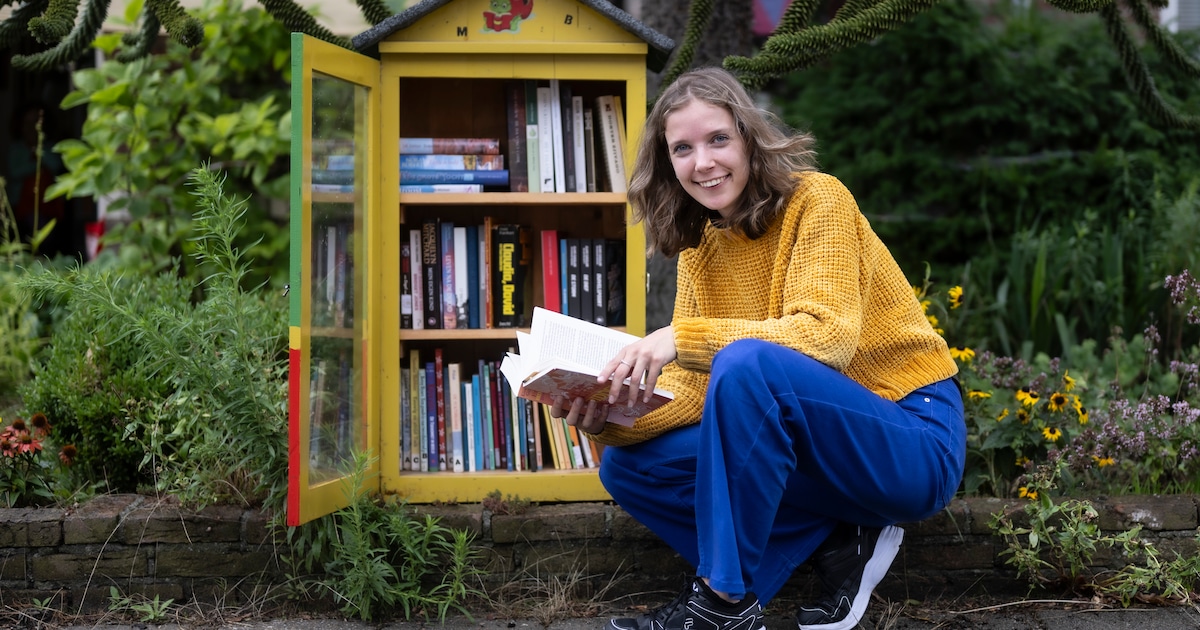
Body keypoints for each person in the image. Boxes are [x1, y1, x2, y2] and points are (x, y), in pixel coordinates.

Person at [551, 67, 966, 630]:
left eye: (718, 138)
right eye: (683, 148)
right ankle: (833, 544)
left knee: (746, 362)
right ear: (667, 163)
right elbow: (701, 393)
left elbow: (827, 337)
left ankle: (721, 603)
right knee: (629, 468)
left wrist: (680, 338)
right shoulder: (702, 248)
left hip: (908, 437)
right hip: (820, 461)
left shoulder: (818, 201)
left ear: (749, 137)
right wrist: (607, 415)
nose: (704, 162)